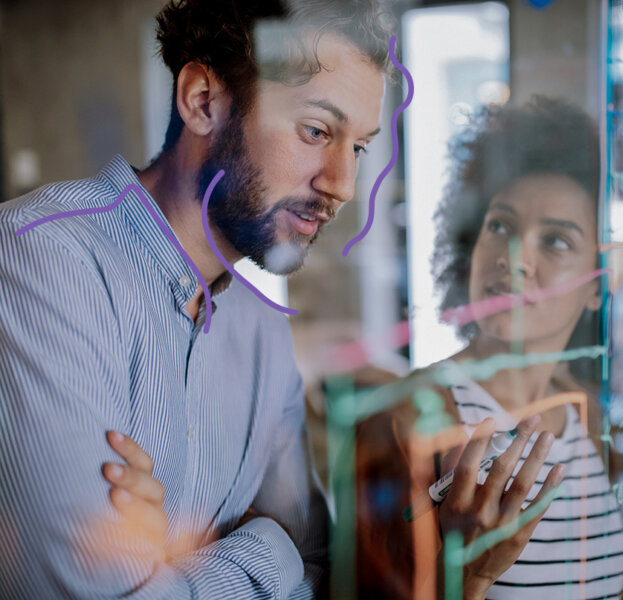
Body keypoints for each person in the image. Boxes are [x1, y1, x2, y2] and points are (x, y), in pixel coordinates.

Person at [0, 0, 392, 597]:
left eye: (358, 147)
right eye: (317, 130)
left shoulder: (261, 326)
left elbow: (318, 563)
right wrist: (266, 549)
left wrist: (172, 564)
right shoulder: (38, 259)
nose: (341, 184)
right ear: (203, 101)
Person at [354, 97, 623, 600]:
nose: (514, 259)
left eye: (556, 241)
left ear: (595, 288)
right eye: (499, 226)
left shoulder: (586, 415)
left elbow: (619, 588)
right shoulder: (408, 418)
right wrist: (469, 577)